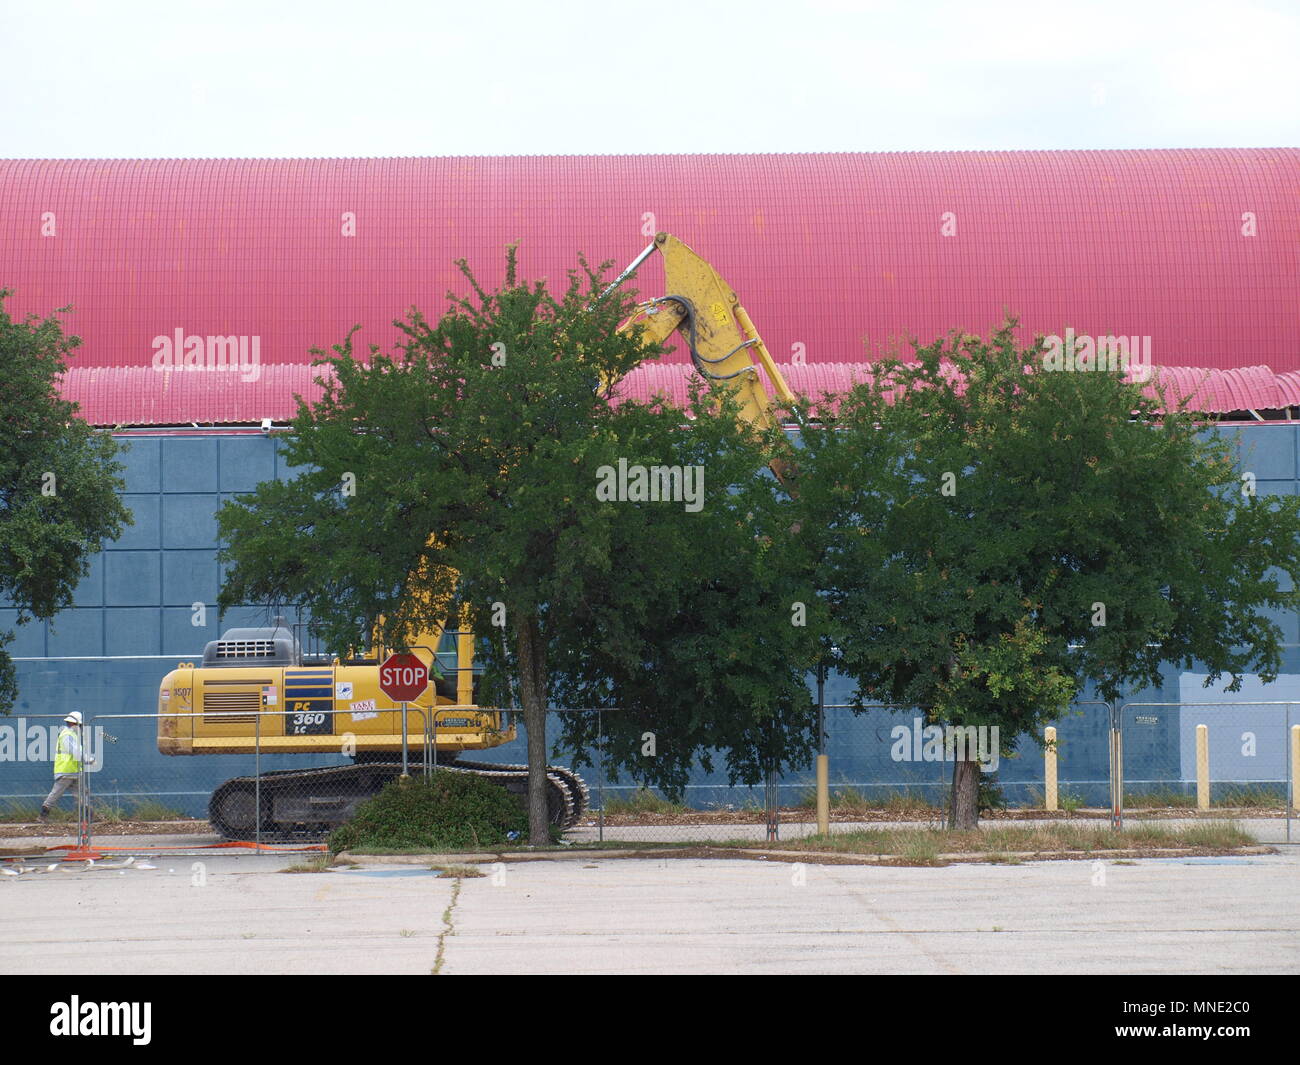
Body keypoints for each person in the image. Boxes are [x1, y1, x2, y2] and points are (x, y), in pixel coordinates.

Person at [39, 711, 97, 823]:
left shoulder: (71, 735)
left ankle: (88, 816)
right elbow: (75, 752)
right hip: (66, 771)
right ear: (74, 724)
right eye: (79, 725)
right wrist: (88, 759)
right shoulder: (67, 735)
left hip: (74, 771)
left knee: (82, 794)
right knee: (56, 794)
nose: (80, 727)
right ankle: (42, 816)